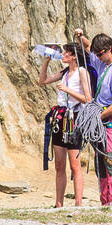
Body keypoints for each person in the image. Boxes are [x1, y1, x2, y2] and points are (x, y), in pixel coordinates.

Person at [74, 29, 112, 206]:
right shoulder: (102, 64)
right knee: (101, 162)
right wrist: (80, 36)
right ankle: (105, 200)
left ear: (109, 49)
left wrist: (100, 115)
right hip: (102, 121)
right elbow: (89, 46)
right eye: (96, 54)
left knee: (111, 160)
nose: (97, 57)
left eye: (100, 53)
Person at [39, 44, 91, 207]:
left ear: (74, 56)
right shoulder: (64, 72)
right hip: (60, 117)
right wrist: (46, 61)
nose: (62, 55)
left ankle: (78, 204)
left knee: (75, 164)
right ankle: (59, 203)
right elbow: (43, 81)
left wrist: (67, 90)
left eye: (66, 53)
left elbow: (87, 98)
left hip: (74, 117)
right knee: (59, 164)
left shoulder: (82, 72)